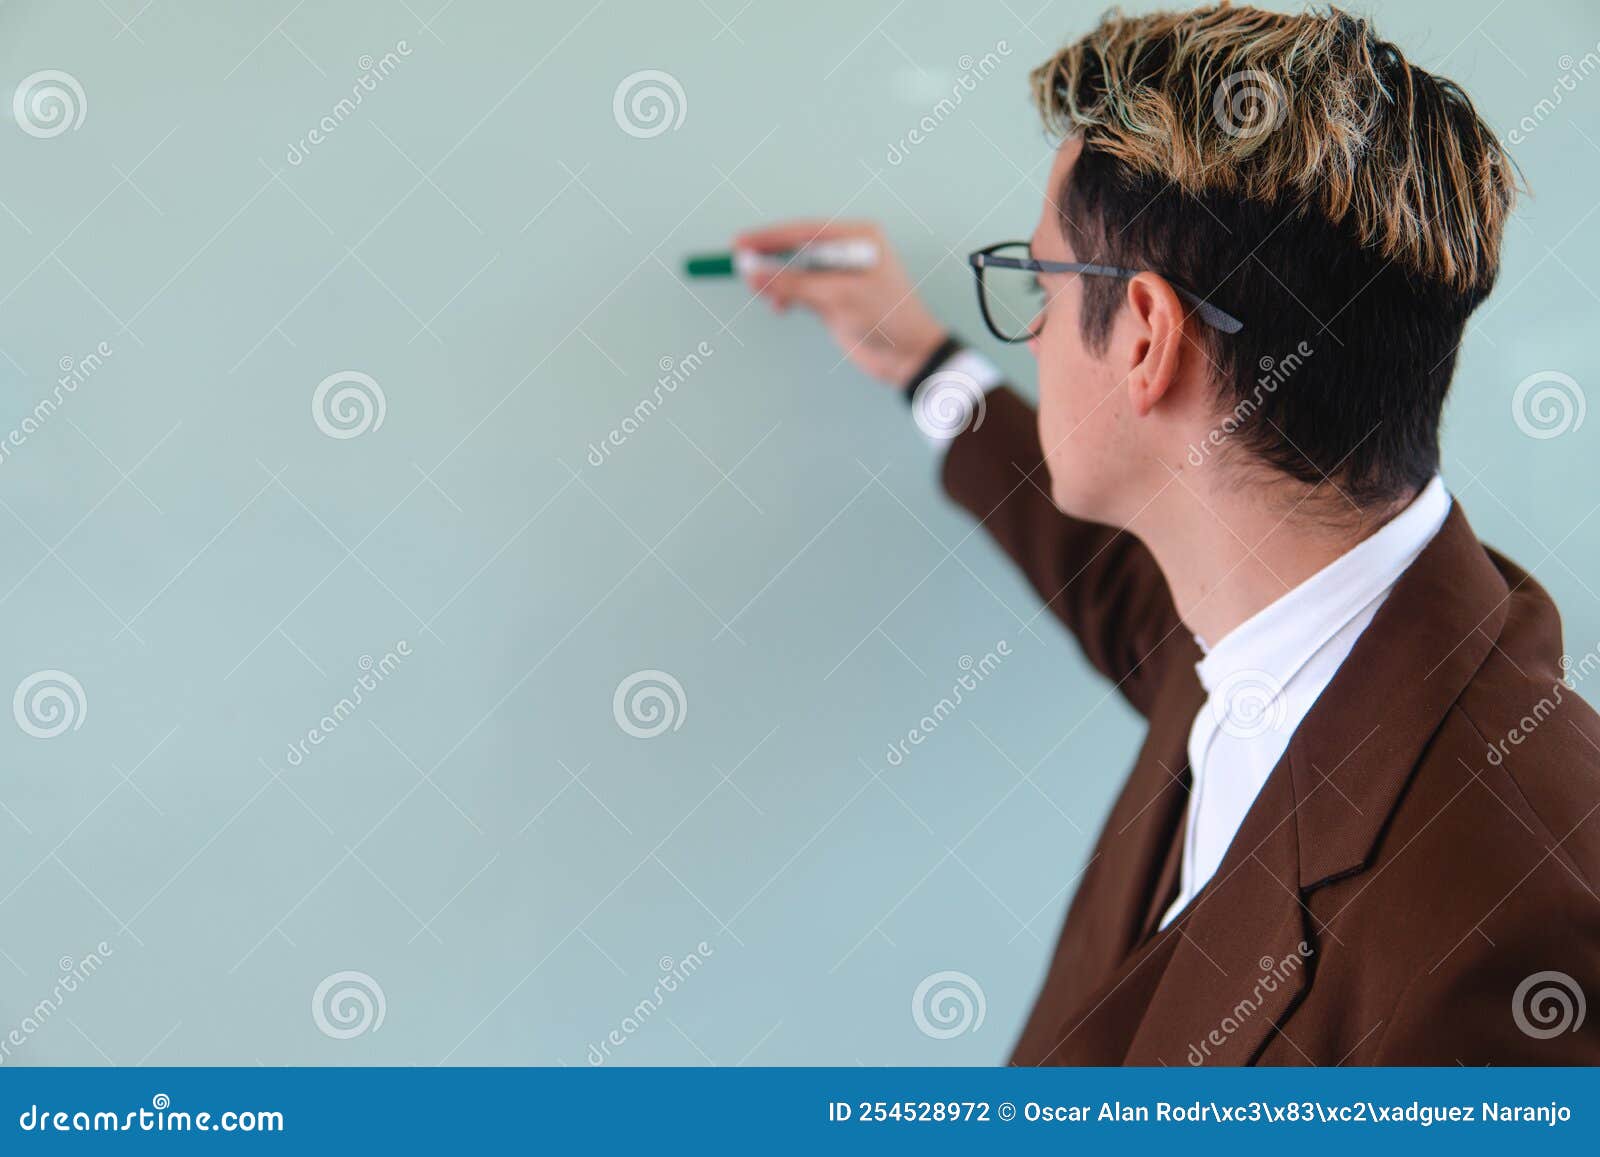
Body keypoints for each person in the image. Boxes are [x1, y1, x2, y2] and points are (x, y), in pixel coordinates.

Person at [737, 4, 1600, 1065]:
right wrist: (925, 366)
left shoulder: (1511, 917)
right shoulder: (1266, 624)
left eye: (1041, 282)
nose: (1038, 329)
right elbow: (1111, 586)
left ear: (1145, 335)